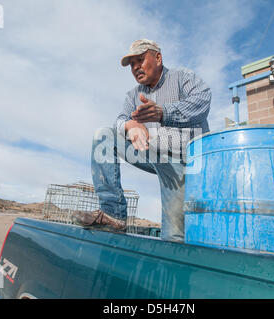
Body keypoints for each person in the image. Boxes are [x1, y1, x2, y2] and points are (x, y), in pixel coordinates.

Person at [74, 39, 211, 242]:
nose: (136, 67)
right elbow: (121, 118)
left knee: (174, 236)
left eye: (140, 60)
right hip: (152, 152)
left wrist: (164, 112)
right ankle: (113, 214)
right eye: (132, 64)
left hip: (184, 160)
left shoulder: (182, 77)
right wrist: (130, 126)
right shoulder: (133, 95)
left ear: (157, 57)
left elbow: (202, 100)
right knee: (104, 136)